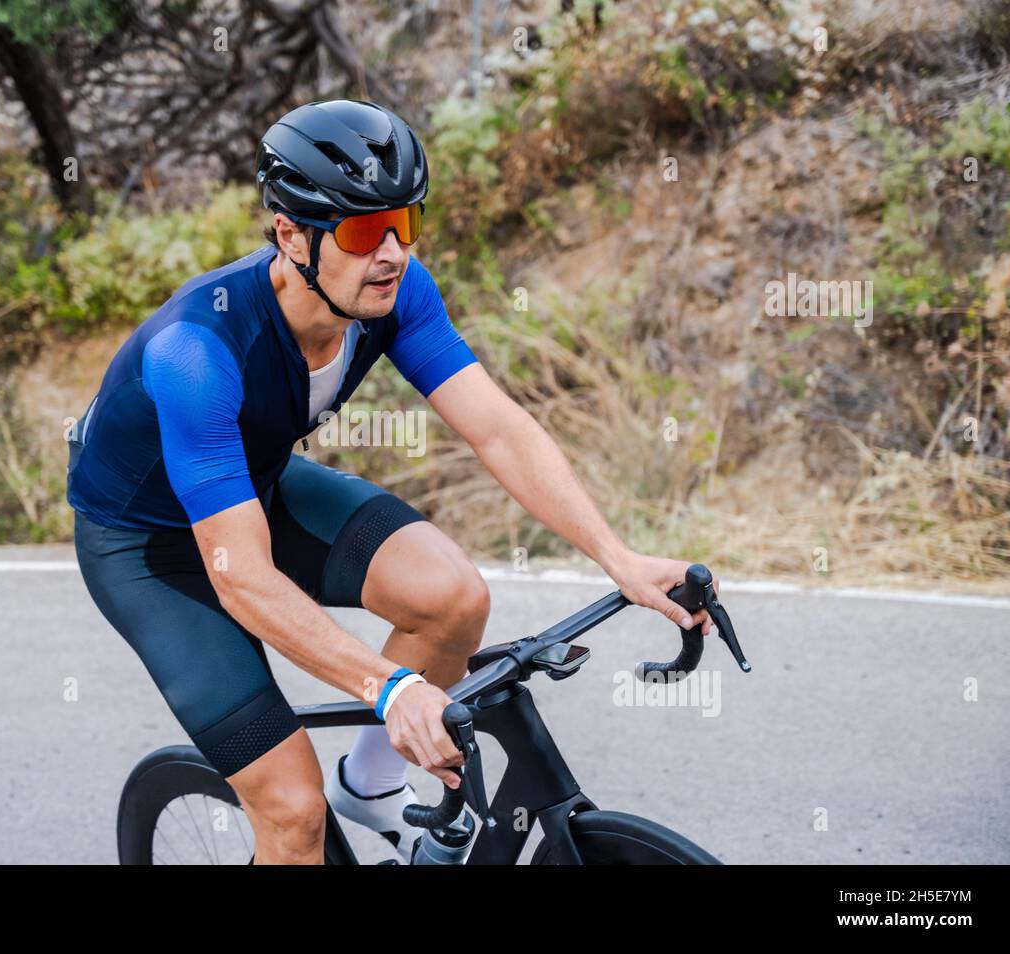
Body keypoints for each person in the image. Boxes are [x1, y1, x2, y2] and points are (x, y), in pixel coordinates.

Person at [66, 99, 716, 864]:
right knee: (292, 814)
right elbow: (240, 578)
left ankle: (370, 786)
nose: (393, 252)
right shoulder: (196, 353)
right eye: (364, 231)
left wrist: (621, 558)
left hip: (257, 490)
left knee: (453, 598)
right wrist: (390, 687)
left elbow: (496, 428)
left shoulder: (395, 293)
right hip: (147, 550)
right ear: (290, 235)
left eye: (404, 223)